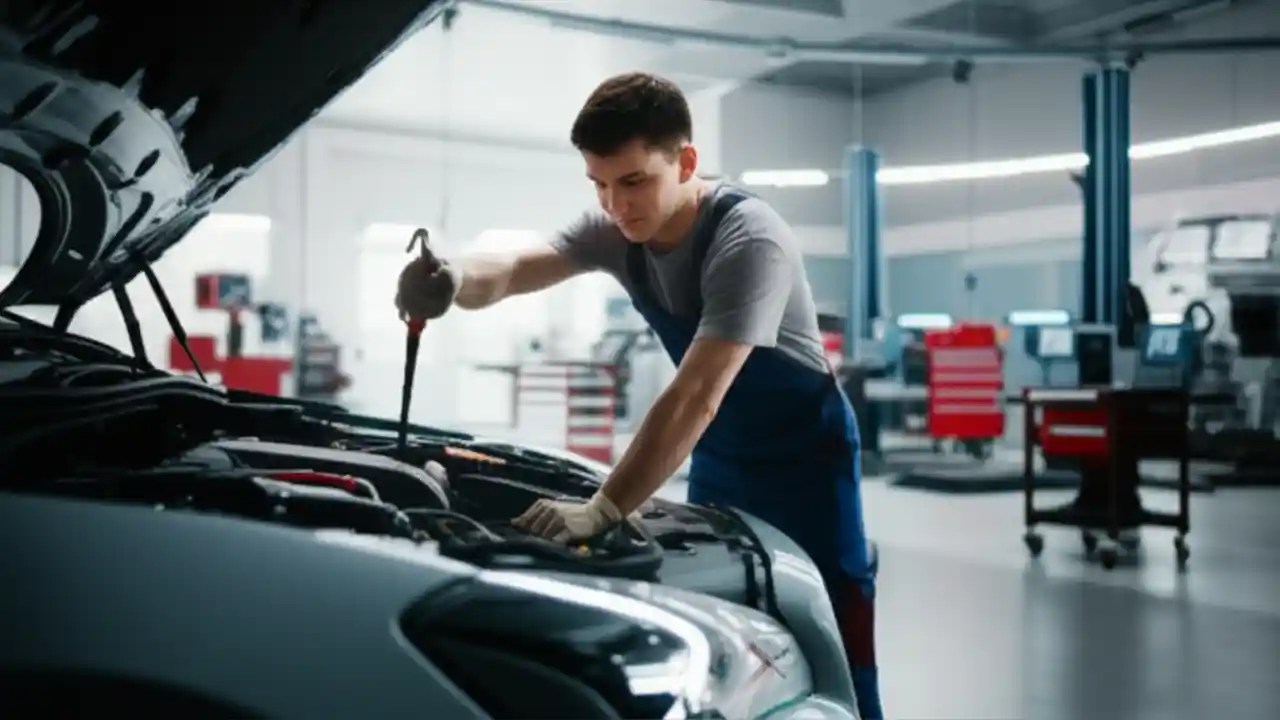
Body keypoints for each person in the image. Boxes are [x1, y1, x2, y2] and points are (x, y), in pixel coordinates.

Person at [395, 72, 882, 718]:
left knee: (836, 639)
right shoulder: (616, 231)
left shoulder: (747, 239)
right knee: (737, 635)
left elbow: (695, 396)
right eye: (598, 185)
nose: (616, 204)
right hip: (721, 454)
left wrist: (603, 508)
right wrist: (452, 278)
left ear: (686, 162)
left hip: (808, 463)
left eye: (633, 181)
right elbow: (513, 270)